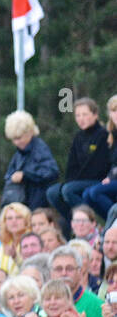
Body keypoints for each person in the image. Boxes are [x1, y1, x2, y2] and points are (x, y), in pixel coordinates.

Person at [47, 97, 110, 232]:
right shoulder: (78, 137)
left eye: (85, 114)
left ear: (95, 115)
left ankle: (92, 222)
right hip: (78, 181)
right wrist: (69, 181)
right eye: (78, 115)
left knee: (68, 190)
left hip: (98, 180)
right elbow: (72, 165)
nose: (81, 119)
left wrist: (72, 183)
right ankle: (75, 223)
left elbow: (98, 166)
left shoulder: (103, 135)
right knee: (52, 192)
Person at [1, 110, 59, 209]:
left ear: (30, 132)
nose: (17, 142)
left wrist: (25, 175)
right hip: (23, 200)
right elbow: (9, 175)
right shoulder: (19, 153)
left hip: (37, 200)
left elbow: (52, 171)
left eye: (19, 138)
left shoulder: (40, 149)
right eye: (13, 139)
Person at [50, 242, 105, 317]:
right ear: (51, 273)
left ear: (80, 272)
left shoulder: (98, 306)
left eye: (70, 269)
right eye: (59, 269)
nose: (64, 273)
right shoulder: (44, 304)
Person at [79, 94, 117, 221]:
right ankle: (110, 222)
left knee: (96, 192)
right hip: (113, 177)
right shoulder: (112, 134)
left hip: (115, 178)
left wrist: (111, 176)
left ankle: (114, 220)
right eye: (113, 111)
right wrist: (109, 177)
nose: (116, 114)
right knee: (87, 194)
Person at [0, 201, 31, 274]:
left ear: (26, 221)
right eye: (9, 218)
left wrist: (15, 257)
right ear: (4, 222)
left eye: (18, 217)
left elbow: (30, 268)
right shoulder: (4, 244)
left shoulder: (31, 241)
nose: (14, 221)